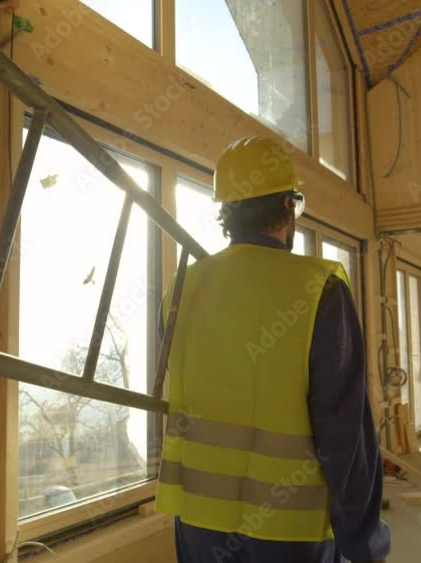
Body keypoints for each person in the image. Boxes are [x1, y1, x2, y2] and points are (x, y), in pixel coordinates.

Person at [155, 136, 391, 563]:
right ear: (288, 206)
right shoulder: (321, 287)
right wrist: (363, 539)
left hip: (198, 519)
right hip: (289, 527)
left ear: (226, 212)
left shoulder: (182, 286)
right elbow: (344, 429)